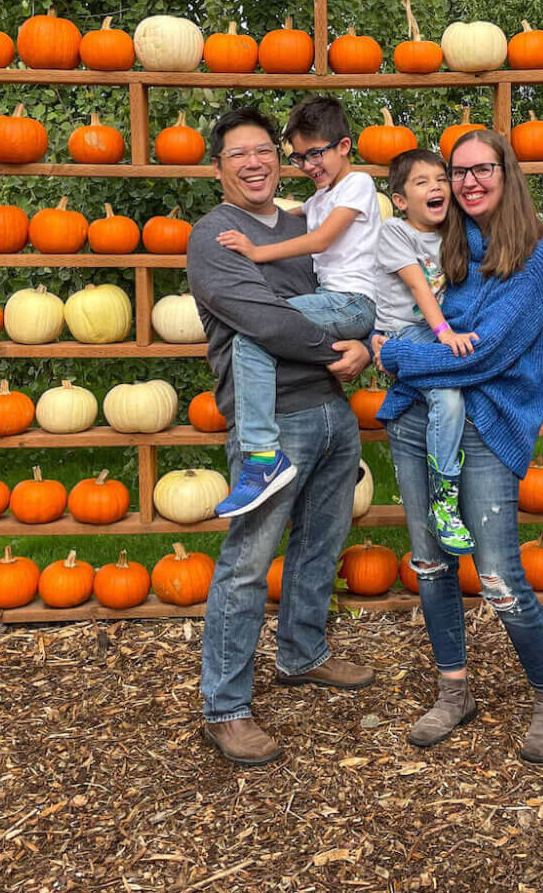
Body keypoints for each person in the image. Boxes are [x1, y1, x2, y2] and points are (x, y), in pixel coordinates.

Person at [374, 128, 543, 764]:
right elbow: (419, 321)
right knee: (430, 561)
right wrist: (415, 353)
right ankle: (453, 689)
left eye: (481, 169)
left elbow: (483, 353)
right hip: (417, 418)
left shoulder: (531, 256)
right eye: (458, 172)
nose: (468, 182)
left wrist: (395, 357)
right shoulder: (442, 246)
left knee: (497, 573)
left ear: (505, 172)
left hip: (488, 424)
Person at [187, 105, 373, 767]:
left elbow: (356, 289)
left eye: (263, 149)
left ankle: (302, 653)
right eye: (237, 154)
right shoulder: (215, 236)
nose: (254, 162)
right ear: (219, 169)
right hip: (272, 423)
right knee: (247, 563)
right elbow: (259, 319)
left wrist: (366, 348)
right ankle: (227, 707)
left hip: (331, 411)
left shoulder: (306, 224)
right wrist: (339, 349)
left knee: (321, 544)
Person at [214, 96, 381, 519]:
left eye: (316, 154)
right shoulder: (324, 194)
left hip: (351, 303)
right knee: (258, 336)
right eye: (299, 157)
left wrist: (256, 251)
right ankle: (270, 454)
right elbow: (294, 213)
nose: (308, 165)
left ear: (344, 146)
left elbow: (320, 240)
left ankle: (263, 457)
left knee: (252, 340)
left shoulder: (358, 184)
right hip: (338, 305)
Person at [373, 148, 478, 554]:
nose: (435, 188)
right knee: (449, 399)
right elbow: (419, 285)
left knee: (455, 391)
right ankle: (444, 503)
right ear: (400, 200)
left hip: (434, 333)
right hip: (405, 333)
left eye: (440, 179)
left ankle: (414, 387)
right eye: (422, 183)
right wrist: (445, 333)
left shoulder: (456, 232)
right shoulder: (396, 232)